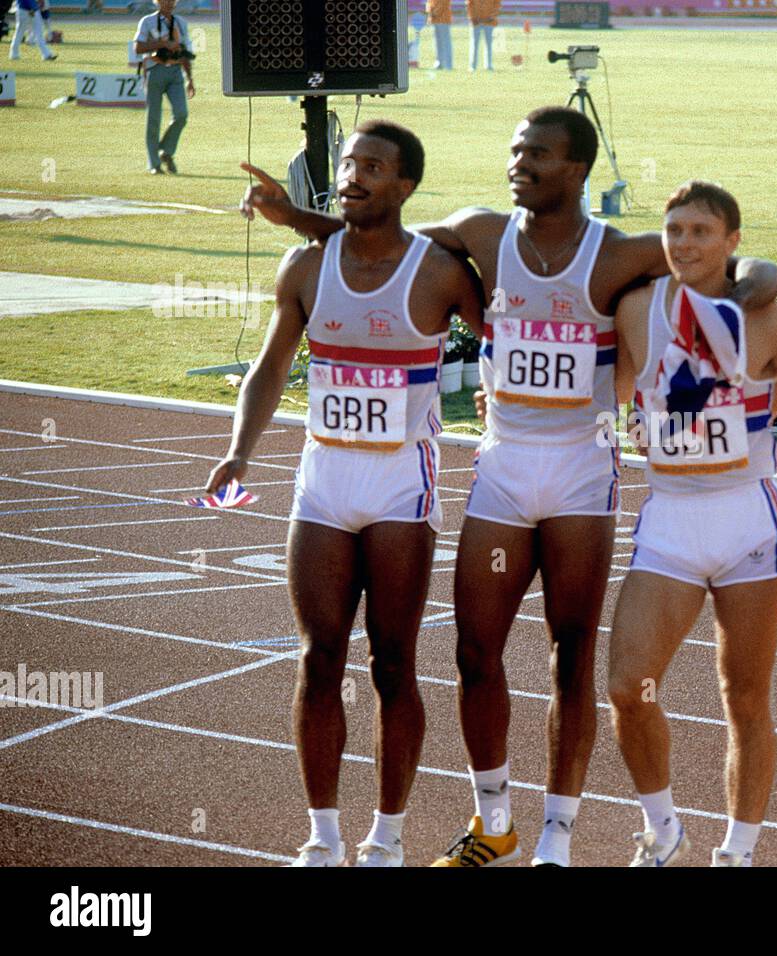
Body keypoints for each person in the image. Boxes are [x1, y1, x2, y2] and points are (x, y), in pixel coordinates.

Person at [240, 106, 777, 867]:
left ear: (577, 169)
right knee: (474, 652)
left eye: (537, 153)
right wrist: (293, 216)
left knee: (571, 652)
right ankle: (494, 821)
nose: (518, 162)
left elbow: (736, 270)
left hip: (581, 475)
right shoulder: (481, 235)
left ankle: (558, 833)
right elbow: (386, 246)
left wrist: (763, 279)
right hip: (501, 470)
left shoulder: (619, 255)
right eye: (515, 150)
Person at [210, 120, 483, 867]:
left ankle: (387, 838)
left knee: (393, 661)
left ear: (406, 185)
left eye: (372, 165)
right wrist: (239, 452)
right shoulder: (304, 266)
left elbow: (509, 334)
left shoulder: (439, 272)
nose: (352, 175)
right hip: (323, 483)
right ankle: (323, 836)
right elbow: (269, 369)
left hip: (402, 486)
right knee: (319, 657)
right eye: (347, 163)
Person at [605, 181, 777, 867]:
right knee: (626, 687)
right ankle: (663, 830)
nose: (685, 243)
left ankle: (739, 852)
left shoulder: (771, 322)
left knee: (746, 697)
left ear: (732, 241)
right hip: (670, 519)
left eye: (701, 231)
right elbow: (610, 399)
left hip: (749, 522)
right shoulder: (637, 310)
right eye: (675, 230)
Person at [133, 0, 193, 175]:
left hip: (175, 72)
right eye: (165, 0)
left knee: (182, 114)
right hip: (154, 70)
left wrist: (190, 78)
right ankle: (154, 163)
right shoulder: (147, 21)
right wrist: (162, 44)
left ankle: (166, 151)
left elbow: (184, 51)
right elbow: (138, 47)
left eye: (172, 1)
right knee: (154, 118)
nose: (169, 3)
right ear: (157, 2)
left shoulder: (181, 23)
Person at [467, 0, 499, 72]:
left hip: (489, 21)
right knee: (474, 44)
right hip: (476, 21)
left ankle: (488, 65)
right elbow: (469, 4)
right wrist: (472, 17)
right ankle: (472, 66)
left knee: (488, 44)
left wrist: (492, 16)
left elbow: (497, 4)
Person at [428, 0, 453, 71]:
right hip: (435, 19)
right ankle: (439, 62)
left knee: (446, 43)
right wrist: (430, 12)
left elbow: (443, 3)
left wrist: (434, 12)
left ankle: (448, 65)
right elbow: (430, 2)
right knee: (437, 43)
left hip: (443, 19)